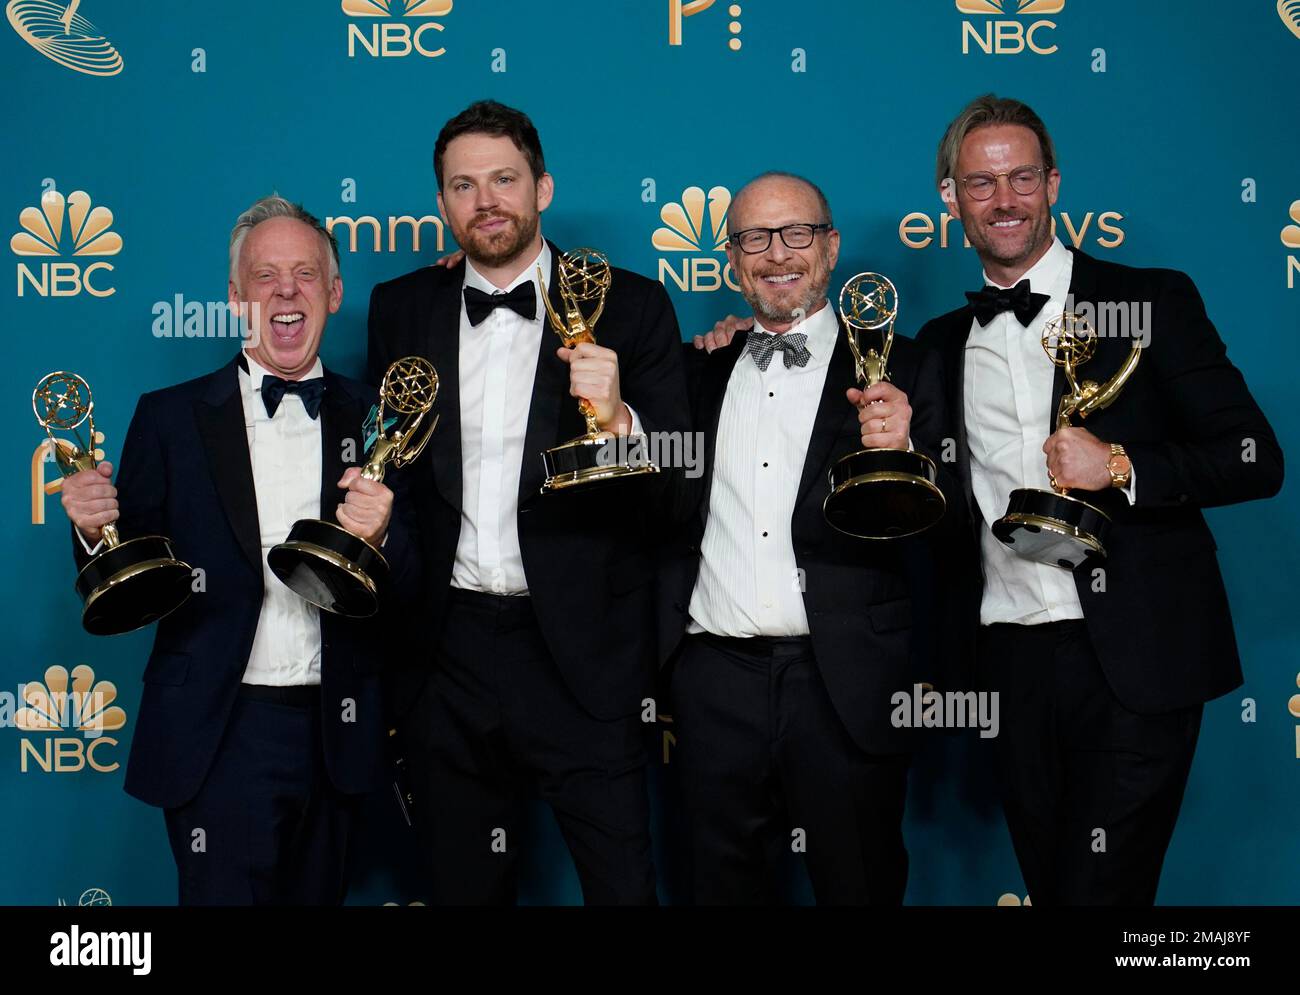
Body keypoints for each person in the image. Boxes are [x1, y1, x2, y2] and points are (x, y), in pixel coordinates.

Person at [914, 94, 1284, 904]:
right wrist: (730, 337)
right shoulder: (938, 345)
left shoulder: (1149, 301)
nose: (1003, 200)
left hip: (1133, 657)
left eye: (1020, 178)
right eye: (980, 184)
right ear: (950, 199)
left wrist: (1117, 462)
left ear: (1054, 184)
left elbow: (1254, 459)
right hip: (1006, 663)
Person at [366, 100, 689, 905]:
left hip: (586, 653)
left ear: (543, 188)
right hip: (449, 655)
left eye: (504, 179)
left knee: (623, 889)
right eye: (463, 185)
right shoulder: (400, 308)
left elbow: (680, 491)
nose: (486, 202)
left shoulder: (633, 305)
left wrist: (620, 421)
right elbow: (394, 475)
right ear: (441, 204)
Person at [58, 195, 417, 904]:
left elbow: (414, 576)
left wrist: (385, 535)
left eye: (306, 273)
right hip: (218, 734)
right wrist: (91, 523)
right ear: (235, 298)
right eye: (265, 275)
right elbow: (127, 562)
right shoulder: (168, 417)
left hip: (334, 732)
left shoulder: (380, 420)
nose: (286, 290)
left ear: (335, 293)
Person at [660, 171, 951, 904]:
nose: (776, 253)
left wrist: (909, 450)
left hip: (842, 681)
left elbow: (957, 525)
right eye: (755, 237)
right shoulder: (697, 371)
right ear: (731, 257)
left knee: (859, 887)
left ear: (831, 247)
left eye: (796, 233)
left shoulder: (909, 365)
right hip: (712, 685)